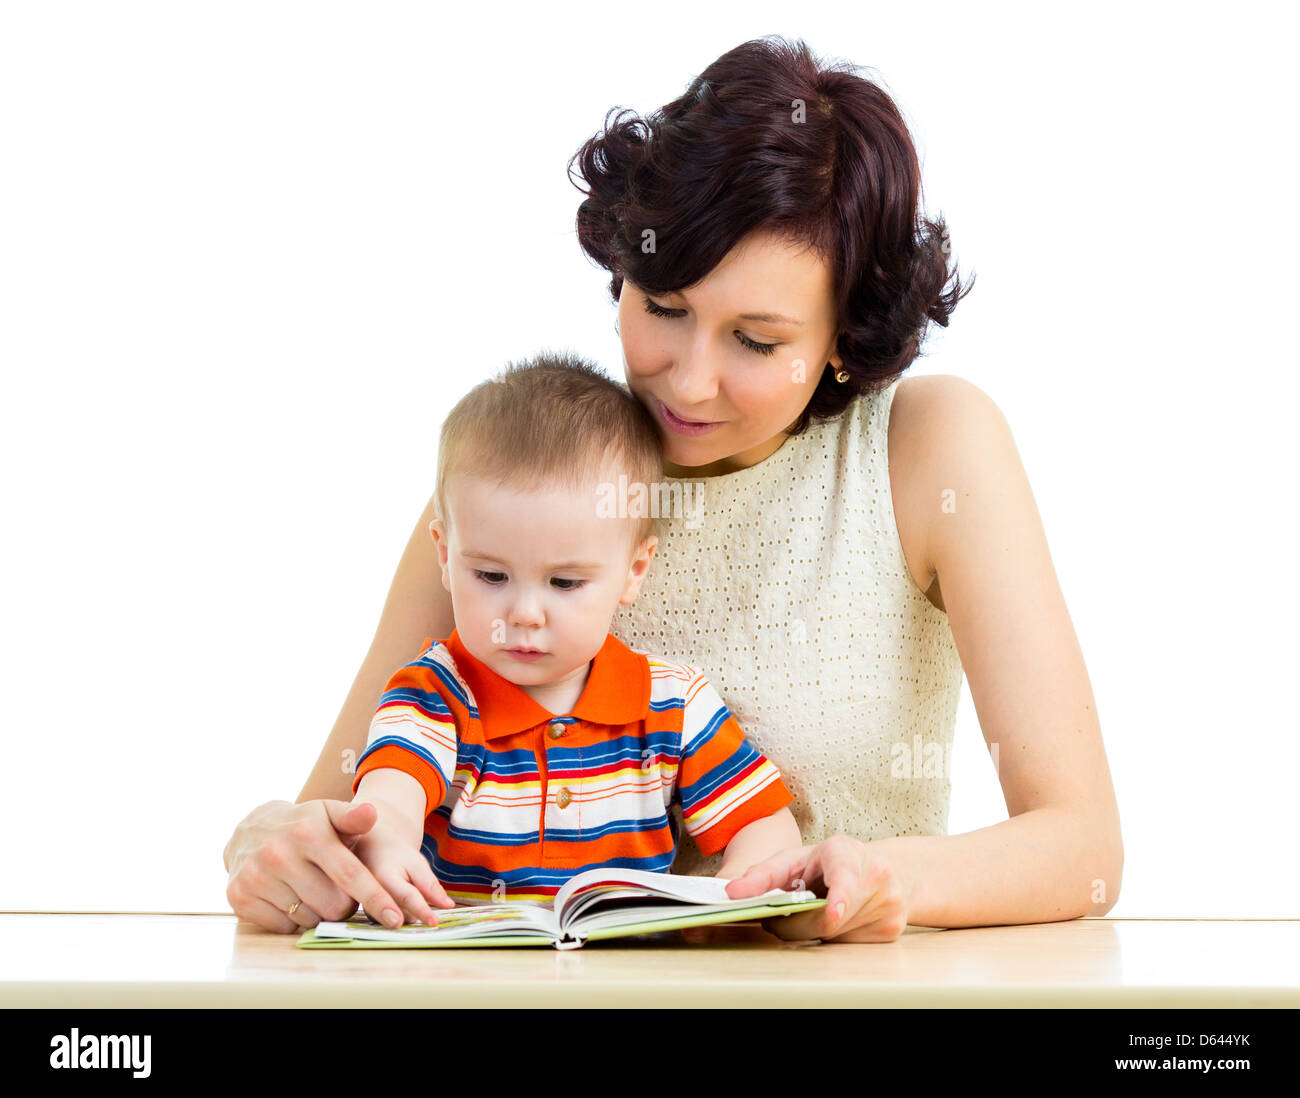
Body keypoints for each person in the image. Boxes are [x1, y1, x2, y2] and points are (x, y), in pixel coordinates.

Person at [224, 36, 1122, 942]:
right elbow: (340, 804)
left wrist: (889, 879)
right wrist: (269, 845)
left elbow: (1082, 848)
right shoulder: (528, 475)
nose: (689, 383)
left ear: (846, 337)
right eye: (663, 308)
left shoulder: (928, 448)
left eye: (757, 341)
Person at [345, 353, 800, 928]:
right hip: (465, 972)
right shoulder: (434, 695)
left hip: (626, 976)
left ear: (634, 571)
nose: (526, 614)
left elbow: (762, 823)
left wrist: (740, 886)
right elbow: (391, 792)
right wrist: (385, 843)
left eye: (564, 582)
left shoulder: (672, 704)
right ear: (444, 554)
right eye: (490, 576)